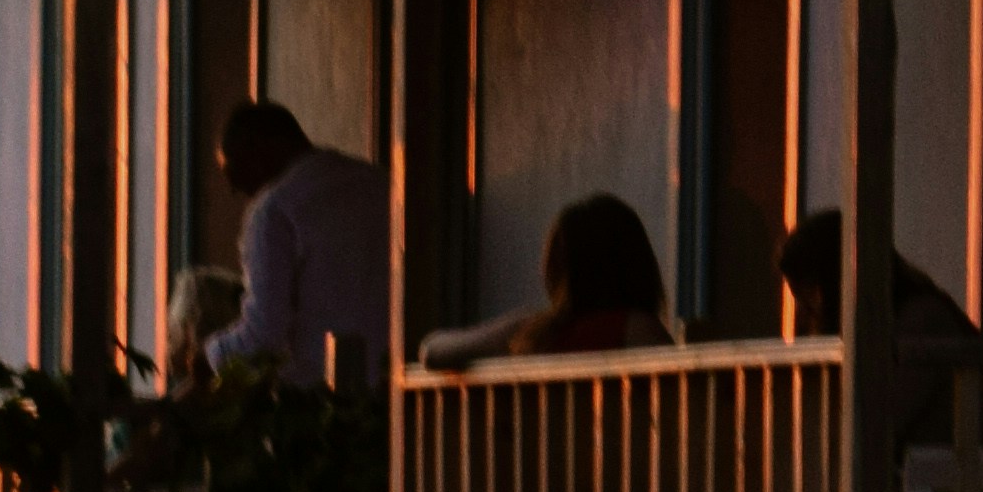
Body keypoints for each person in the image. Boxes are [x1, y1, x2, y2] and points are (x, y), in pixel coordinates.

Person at [775, 210, 983, 449]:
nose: (805, 313)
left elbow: (879, 424)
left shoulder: (920, 325)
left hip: (967, 467)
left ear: (838, 279)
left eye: (810, 295)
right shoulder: (894, 325)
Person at [202, 101, 389, 387]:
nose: (237, 191)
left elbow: (263, 335)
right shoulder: (381, 185)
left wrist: (211, 357)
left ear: (258, 152)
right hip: (404, 391)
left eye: (237, 174)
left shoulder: (273, 212)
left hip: (324, 396)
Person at [416, 193, 672, 365]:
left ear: (558, 267)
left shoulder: (535, 333)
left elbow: (433, 351)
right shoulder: (638, 330)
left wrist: (517, 327)